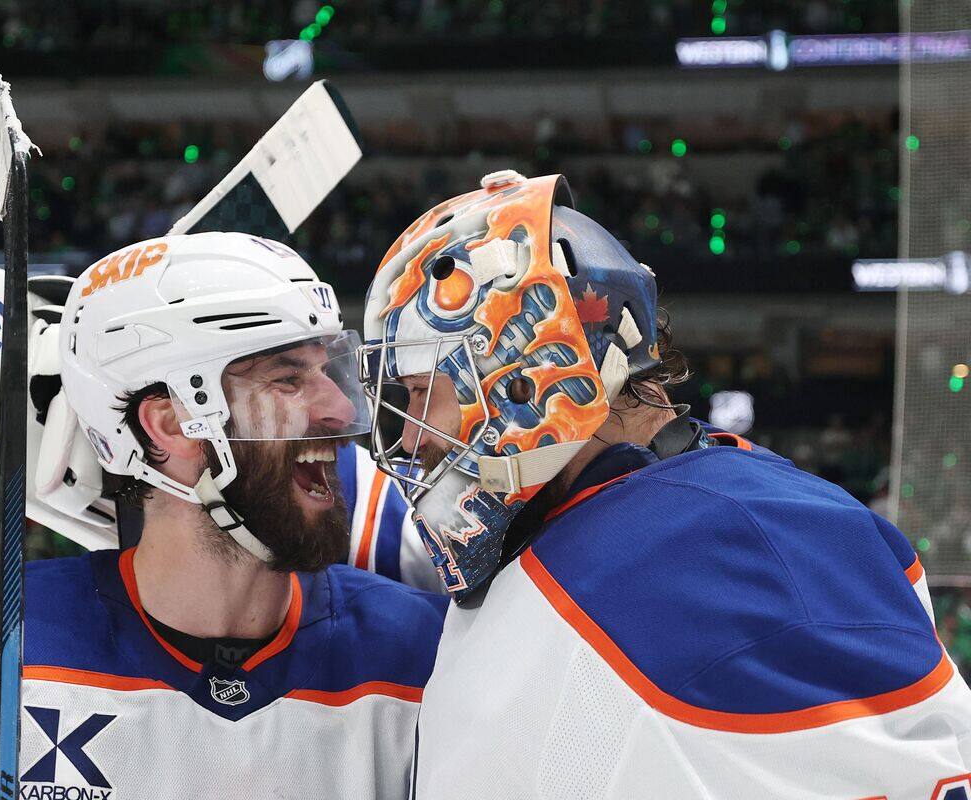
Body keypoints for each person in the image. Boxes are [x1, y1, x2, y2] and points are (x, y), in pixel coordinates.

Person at [359, 171, 971, 798]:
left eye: (420, 393)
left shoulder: (635, 564)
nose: (409, 439)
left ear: (524, 381)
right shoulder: (782, 506)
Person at [0, 232, 446, 799]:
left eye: (328, 371)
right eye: (288, 379)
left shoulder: (426, 654)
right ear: (171, 424)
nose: (339, 407)